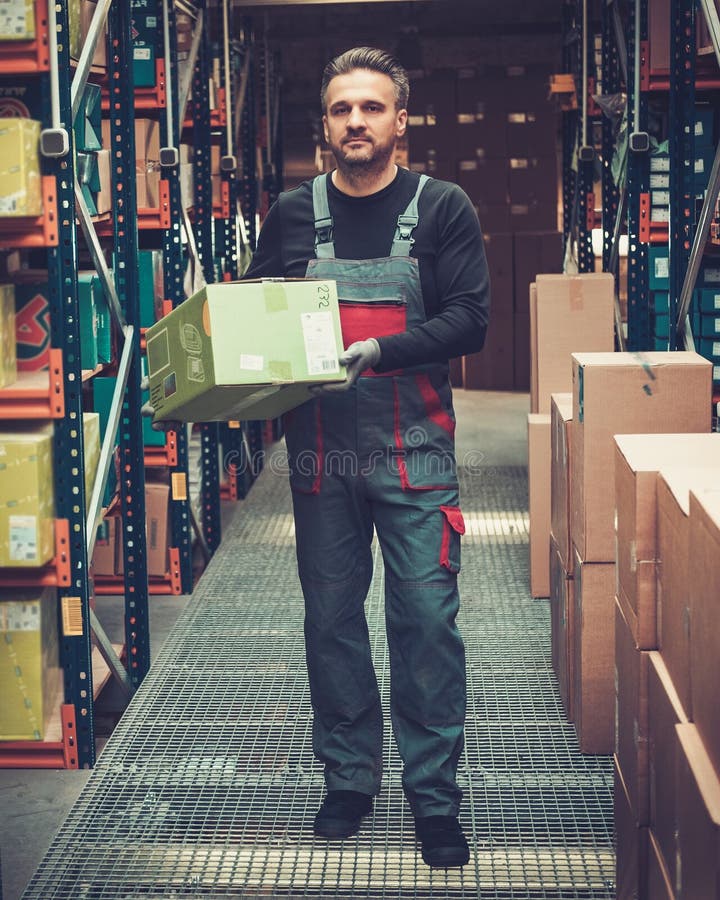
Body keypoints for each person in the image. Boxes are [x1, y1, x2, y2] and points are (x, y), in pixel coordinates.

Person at [249, 47, 490, 868]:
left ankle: (434, 799)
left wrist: (380, 352)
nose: (357, 121)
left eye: (373, 107)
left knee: (426, 623)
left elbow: (470, 321)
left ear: (400, 120)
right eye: (342, 109)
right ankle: (349, 781)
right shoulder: (290, 214)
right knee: (332, 625)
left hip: (414, 453)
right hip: (320, 457)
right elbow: (254, 321)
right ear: (325, 125)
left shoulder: (442, 206)